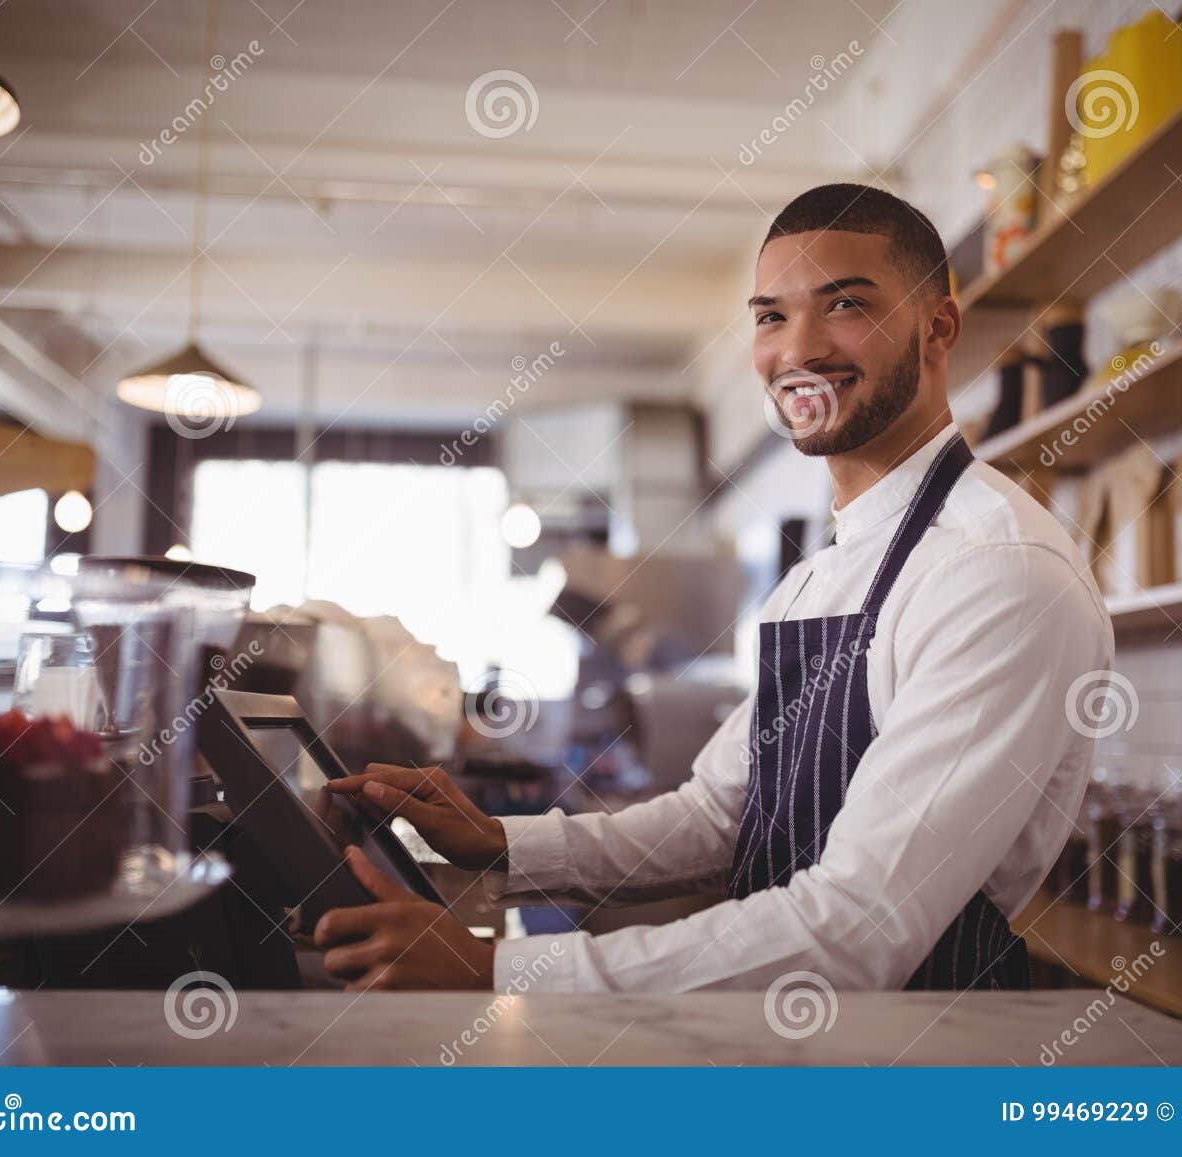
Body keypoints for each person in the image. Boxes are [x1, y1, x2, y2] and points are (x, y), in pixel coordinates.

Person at [314, 183, 1115, 993]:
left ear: (937, 326)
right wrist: (503, 842)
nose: (798, 348)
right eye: (771, 315)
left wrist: (502, 969)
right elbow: (718, 815)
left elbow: (858, 925)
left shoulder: (1000, 571)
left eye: (844, 305)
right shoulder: (814, 580)